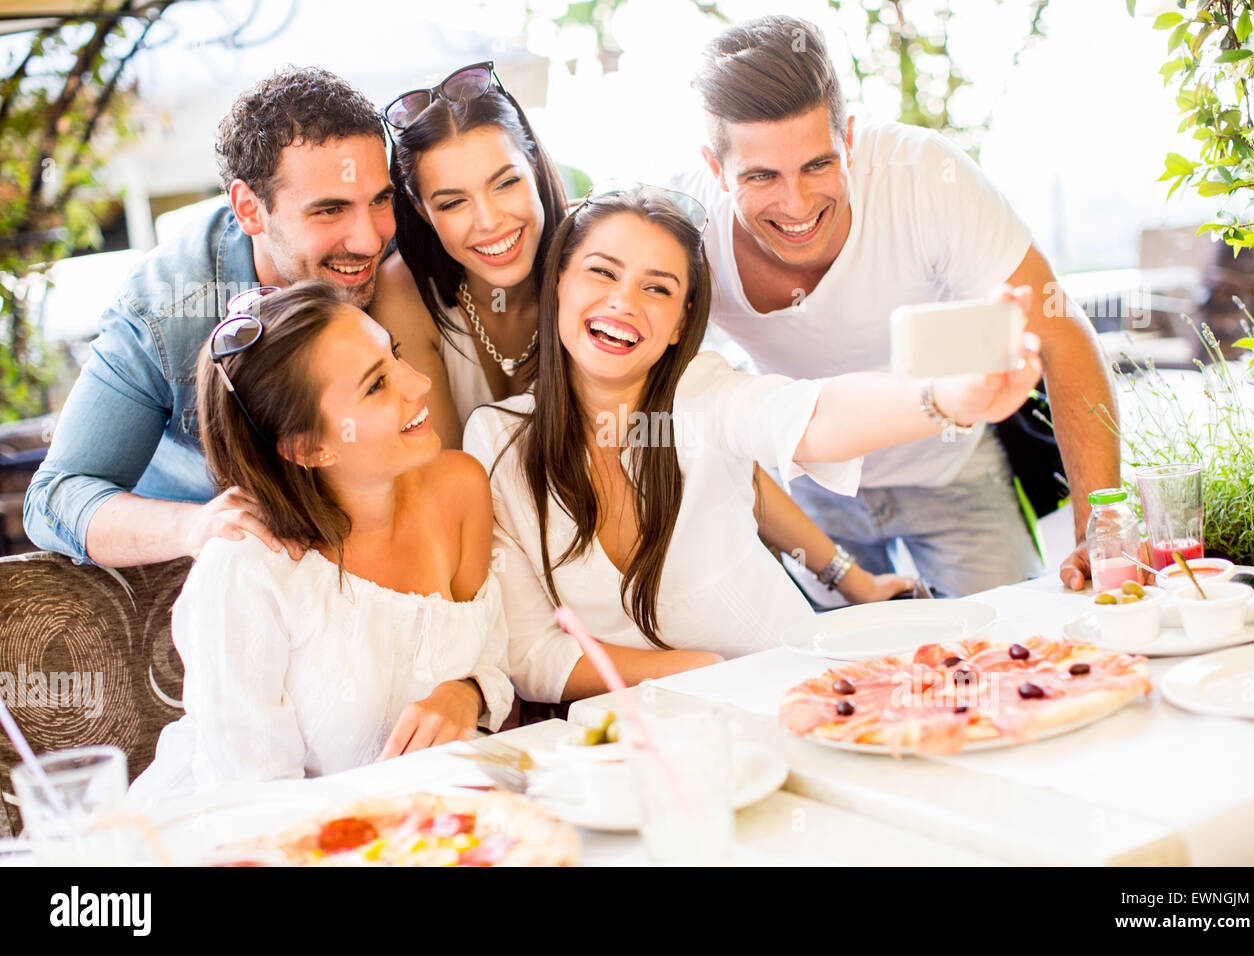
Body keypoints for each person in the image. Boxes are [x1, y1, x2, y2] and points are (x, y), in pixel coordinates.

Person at [462, 187, 1042, 704]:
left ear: (680, 322)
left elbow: (808, 414)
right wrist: (696, 672)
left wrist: (944, 398)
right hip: (652, 744)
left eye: (656, 288)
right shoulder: (497, 441)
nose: (623, 302)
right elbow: (532, 654)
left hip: (806, 696)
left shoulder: (701, 394)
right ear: (558, 279)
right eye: (602, 272)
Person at [368, 63, 912, 610]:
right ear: (420, 208)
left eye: (505, 182)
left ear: (535, 165)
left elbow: (712, 433)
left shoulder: (599, 261)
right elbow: (431, 483)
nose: (489, 221)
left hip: (663, 564)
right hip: (517, 586)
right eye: (452, 202)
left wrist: (849, 578)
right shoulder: (409, 294)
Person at [668, 16, 1120, 596]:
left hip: (951, 469)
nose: (797, 203)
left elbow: (1061, 334)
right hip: (811, 490)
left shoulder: (925, 176)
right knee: (839, 678)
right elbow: (677, 404)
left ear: (849, 139)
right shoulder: (683, 233)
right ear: (715, 170)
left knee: (1016, 647)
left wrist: (1099, 530)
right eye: (761, 176)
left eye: (818, 164)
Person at [128, 281, 510, 805]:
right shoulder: (246, 567)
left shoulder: (461, 487)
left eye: (393, 353)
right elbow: (253, 804)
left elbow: (489, 659)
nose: (418, 383)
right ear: (308, 448)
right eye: (376, 386)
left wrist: (465, 693)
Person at [24, 68, 396, 568]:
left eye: (380, 200)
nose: (369, 240)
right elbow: (55, 497)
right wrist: (196, 526)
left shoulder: (404, 250)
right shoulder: (166, 310)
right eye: (329, 211)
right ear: (249, 209)